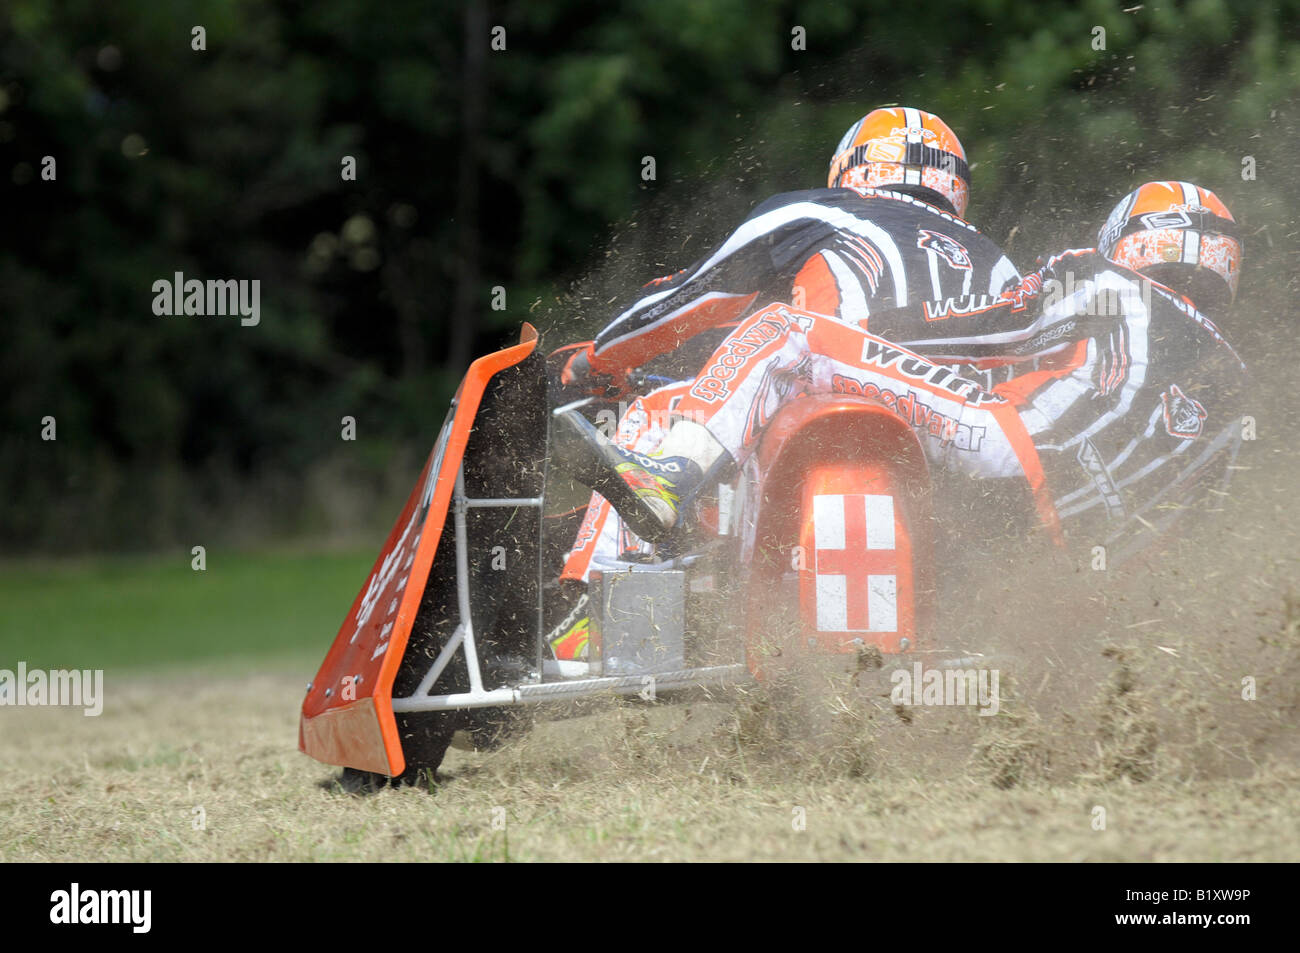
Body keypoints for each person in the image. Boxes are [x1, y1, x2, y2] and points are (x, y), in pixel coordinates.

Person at [555, 181, 1249, 571]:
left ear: (1123, 243)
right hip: (1077, 544)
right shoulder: (1235, 376)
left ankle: (669, 477)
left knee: (783, 332)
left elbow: (995, 327)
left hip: (1015, 447)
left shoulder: (1098, 278)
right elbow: (1203, 525)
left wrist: (870, 338)